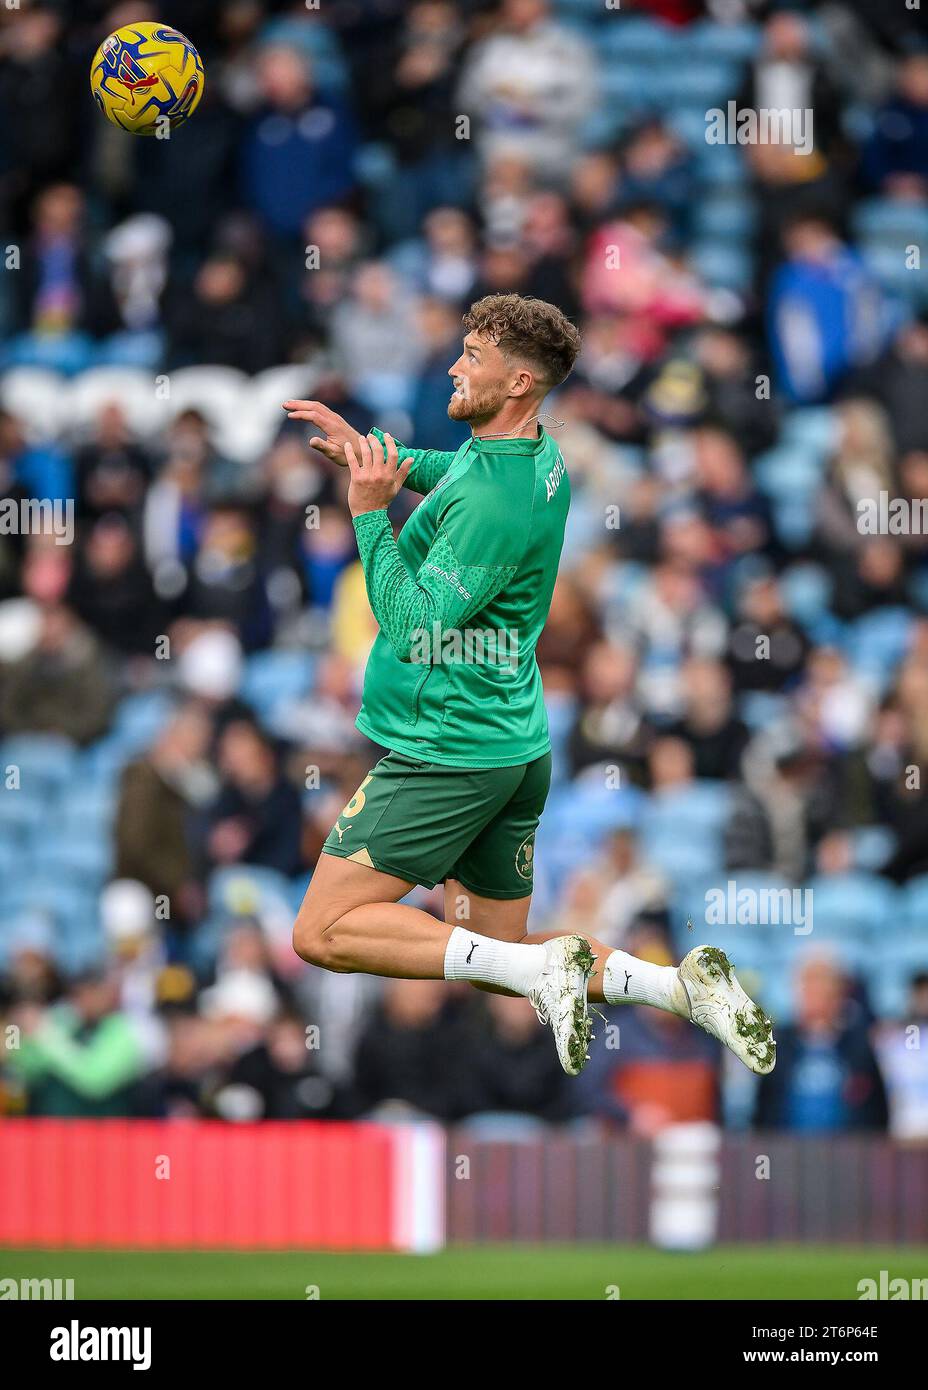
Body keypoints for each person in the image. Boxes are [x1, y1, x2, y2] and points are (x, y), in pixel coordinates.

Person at [283, 293, 776, 1080]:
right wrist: (379, 457)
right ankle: (680, 987)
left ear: (516, 381)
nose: (453, 365)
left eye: (471, 357)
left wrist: (368, 511)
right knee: (497, 952)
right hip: (510, 743)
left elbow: (415, 627)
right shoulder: (532, 455)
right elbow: (459, 476)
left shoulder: (493, 499)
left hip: (445, 748)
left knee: (322, 932)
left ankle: (543, 978)